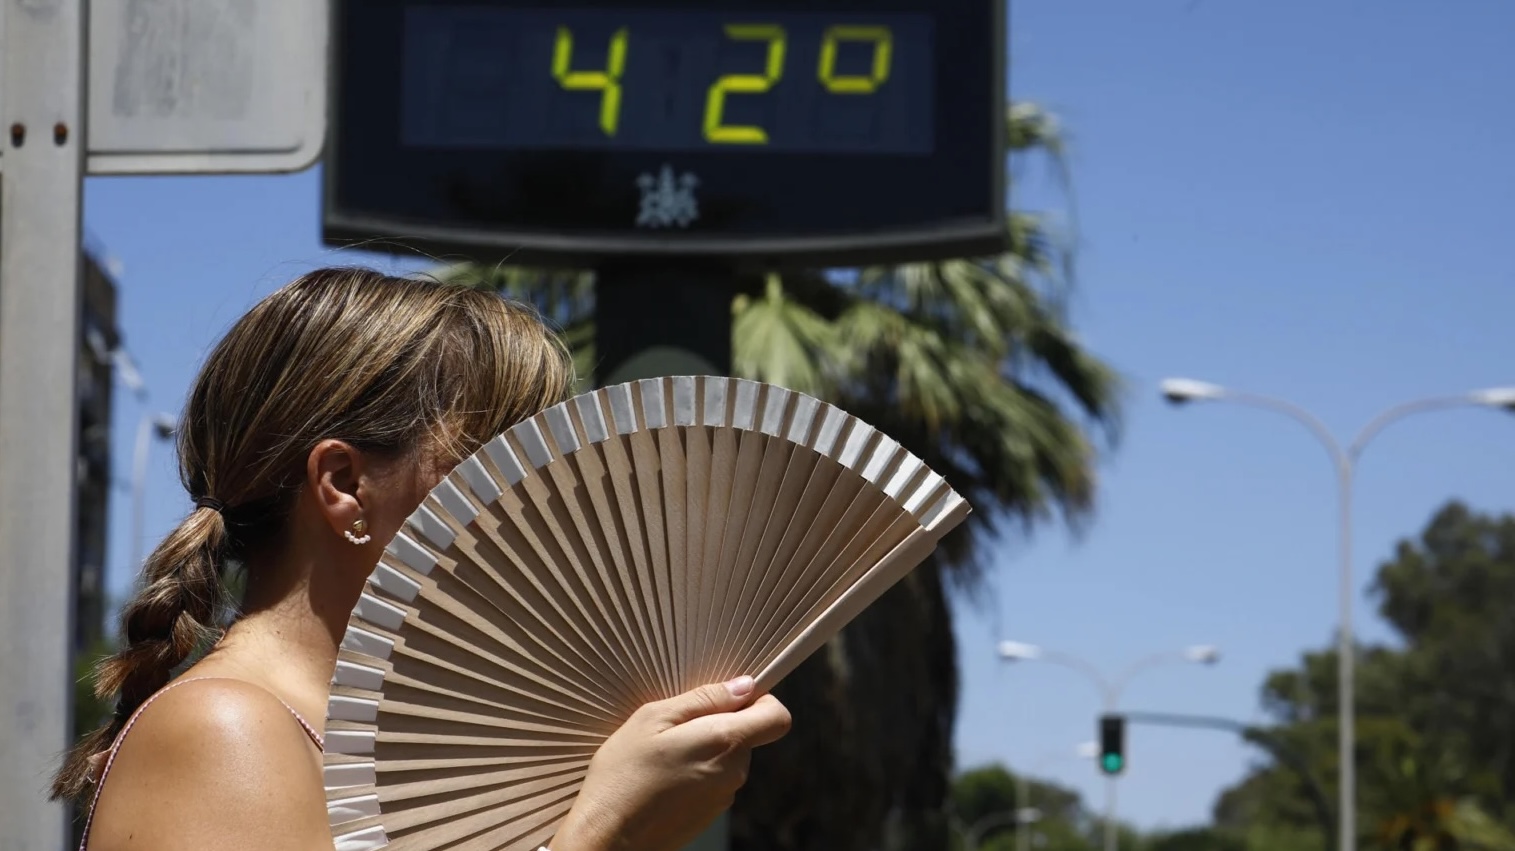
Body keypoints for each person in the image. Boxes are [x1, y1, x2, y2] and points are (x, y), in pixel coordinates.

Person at [52, 268, 792, 851]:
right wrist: (605, 832)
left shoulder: (399, 751)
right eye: (499, 465)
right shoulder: (226, 730)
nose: (547, 505)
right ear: (344, 485)